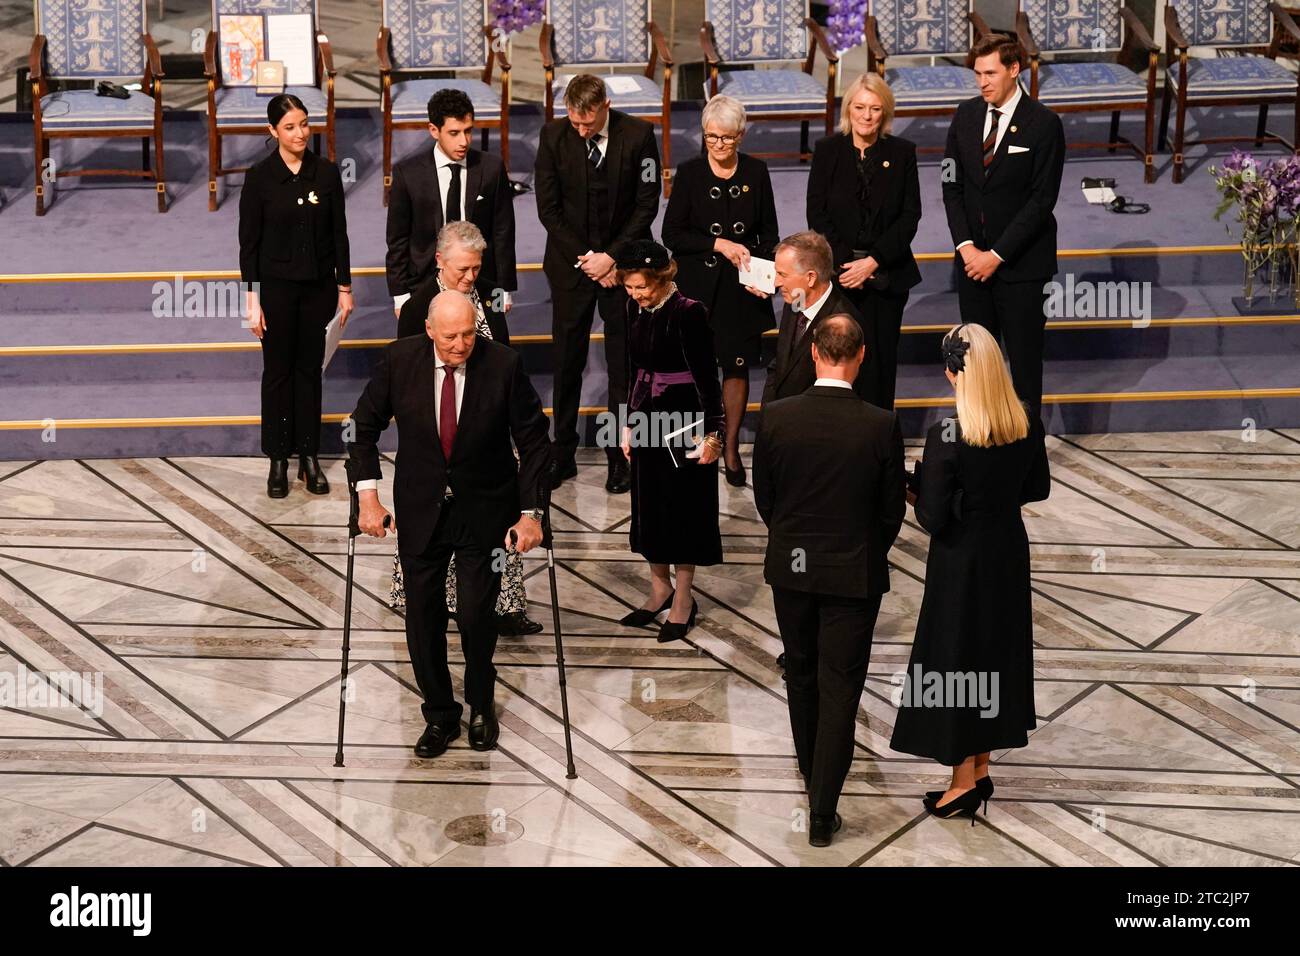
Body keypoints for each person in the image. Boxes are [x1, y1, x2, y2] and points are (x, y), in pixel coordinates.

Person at [347, 291, 552, 759]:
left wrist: (532, 513)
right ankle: (439, 713)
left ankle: (480, 703)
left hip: (486, 511)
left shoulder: (503, 364)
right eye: (450, 337)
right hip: (421, 510)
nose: (461, 344)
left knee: (478, 615)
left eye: (468, 334)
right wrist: (368, 498)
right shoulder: (400, 360)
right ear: (429, 331)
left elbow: (535, 440)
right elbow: (361, 428)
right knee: (423, 618)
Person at [752, 314, 905, 847]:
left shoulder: (776, 416)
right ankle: (823, 808)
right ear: (861, 356)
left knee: (800, 671)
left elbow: (766, 500)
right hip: (853, 574)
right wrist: (861, 553)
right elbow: (890, 512)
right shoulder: (881, 424)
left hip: (791, 569)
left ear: (815, 353)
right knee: (840, 685)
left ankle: (809, 767)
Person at [889, 323, 1051, 823]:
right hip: (1007, 552)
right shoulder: (1026, 419)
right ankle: (979, 769)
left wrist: (917, 489)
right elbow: (1037, 488)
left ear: (953, 372)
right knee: (996, 655)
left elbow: (933, 516)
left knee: (958, 659)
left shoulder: (948, 434)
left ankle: (961, 783)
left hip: (961, 562)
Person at [386, 221, 543, 636]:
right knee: (436, 534)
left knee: (491, 526)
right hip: (439, 445)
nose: (471, 276)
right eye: (463, 269)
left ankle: (500, 607)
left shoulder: (489, 292)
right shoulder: (419, 307)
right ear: (440, 261)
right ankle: (444, 608)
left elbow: (503, 354)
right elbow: (407, 377)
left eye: (476, 267)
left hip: (488, 437)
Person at [534, 74, 661, 493]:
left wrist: (612, 258)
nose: (581, 130)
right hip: (572, 268)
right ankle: (562, 451)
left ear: (605, 106)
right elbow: (548, 210)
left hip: (623, 272)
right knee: (566, 361)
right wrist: (589, 260)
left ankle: (618, 455)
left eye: (588, 123)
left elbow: (647, 203)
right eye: (575, 121)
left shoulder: (640, 135)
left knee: (623, 364)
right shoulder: (553, 136)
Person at [943, 33, 1065, 418]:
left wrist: (995, 256)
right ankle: (980, 440)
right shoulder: (965, 115)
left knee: (1024, 367)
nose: (982, 82)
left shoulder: (1044, 124)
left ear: (1014, 69)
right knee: (976, 365)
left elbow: (1042, 201)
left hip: (1022, 269)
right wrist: (966, 247)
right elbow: (951, 184)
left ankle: (1027, 448)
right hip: (972, 268)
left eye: (990, 73)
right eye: (978, 74)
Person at [240, 93, 353, 499]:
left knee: (309, 373)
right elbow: (248, 245)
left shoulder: (326, 173)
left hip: (317, 289)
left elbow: (339, 234)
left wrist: (344, 287)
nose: (300, 133)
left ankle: (308, 456)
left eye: (304, 124)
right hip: (275, 291)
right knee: (277, 374)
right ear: (272, 131)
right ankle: (277, 458)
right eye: (289, 127)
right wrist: (252, 300)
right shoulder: (259, 178)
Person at [662, 94, 778, 486]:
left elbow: (770, 235)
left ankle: (729, 447)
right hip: (698, 285)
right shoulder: (690, 172)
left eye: (727, 137)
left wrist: (763, 277)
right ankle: (700, 439)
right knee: (694, 367)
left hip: (740, 289)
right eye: (711, 136)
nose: (719, 144)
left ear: (740, 136)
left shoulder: (757, 172)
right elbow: (672, 234)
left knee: (736, 366)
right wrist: (718, 244)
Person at [616, 241, 724, 643]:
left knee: (682, 512)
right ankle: (659, 588)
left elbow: (708, 380)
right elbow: (635, 371)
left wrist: (713, 434)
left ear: (662, 278)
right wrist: (629, 423)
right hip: (646, 420)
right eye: (629, 287)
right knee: (650, 508)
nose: (636, 295)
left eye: (642, 287)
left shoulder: (689, 312)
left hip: (685, 424)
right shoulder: (635, 308)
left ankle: (683, 598)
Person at [806, 73, 921, 411]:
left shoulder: (902, 152)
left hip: (885, 275)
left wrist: (872, 262)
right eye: (859, 107)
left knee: (881, 366)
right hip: (840, 277)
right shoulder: (827, 151)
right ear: (848, 110)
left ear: (885, 112)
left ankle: (881, 438)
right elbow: (817, 213)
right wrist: (848, 265)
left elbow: (909, 216)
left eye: (875, 108)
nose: (867, 116)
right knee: (840, 365)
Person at [386, 88, 516, 345]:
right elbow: (398, 238)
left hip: (480, 282)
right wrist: (400, 295)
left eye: (468, 131)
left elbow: (503, 232)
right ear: (434, 130)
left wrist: (504, 290)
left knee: (491, 353)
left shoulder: (491, 169)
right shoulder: (407, 173)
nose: (464, 141)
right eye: (454, 133)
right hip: (424, 282)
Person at [761, 231, 872, 407]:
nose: (776, 283)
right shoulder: (796, 299)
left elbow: (841, 396)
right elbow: (780, 364)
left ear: (811, 278)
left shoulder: (844, 324)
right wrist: (768, 414)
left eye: (783, 275)